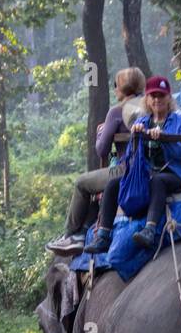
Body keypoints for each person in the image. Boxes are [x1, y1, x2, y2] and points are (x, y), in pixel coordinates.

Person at [46, 67, 145, 254]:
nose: (115, 89)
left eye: (116, 85)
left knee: (82, 183)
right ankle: (83, 231)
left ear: (123, 87)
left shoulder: (118, 111)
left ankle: (71, 235)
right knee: (95, 193)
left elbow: (102, 150)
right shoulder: (153, 105)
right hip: (155, 169)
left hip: (127, 170)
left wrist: (101, 134)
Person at [93, 74, 181, 254]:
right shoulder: (141, 121)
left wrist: (164, 140)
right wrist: (137, 137)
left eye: (161, 95)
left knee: (158, 181)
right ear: (147, 99)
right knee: (113, 184)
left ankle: (150, 229)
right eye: (153, 96)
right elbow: (131, 156)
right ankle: (103, 235)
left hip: (173, 174)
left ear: (169, 98)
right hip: (146, 173)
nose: (157, 100)